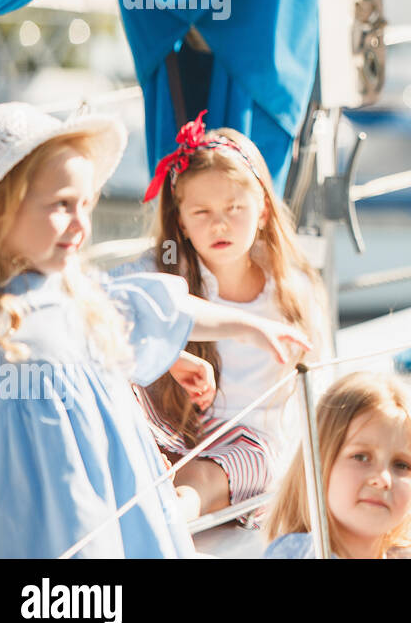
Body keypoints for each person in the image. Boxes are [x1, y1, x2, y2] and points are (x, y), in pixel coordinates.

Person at [0, 102, 308, 557]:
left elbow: (159, 309)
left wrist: (244, 330)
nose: (81, 224)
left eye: (86, 205)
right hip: (41, 517)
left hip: (115, 499)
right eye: (62, 205)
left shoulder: (77, 297)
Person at [129, 111, 327, 520]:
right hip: (175, 431)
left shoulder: (293, 291)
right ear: (180, 222)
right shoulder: (161, 276)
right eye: (201, 212)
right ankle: (152, 487)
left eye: (235, 207)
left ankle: (171, 514)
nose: (219, 223)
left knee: (225, 469)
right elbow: (103, 311)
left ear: (263, 213)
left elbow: (319, 387)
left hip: (252, 446)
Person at [265, 371, 411, 558]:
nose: (383, 479)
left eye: (401, 465)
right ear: (319, 462)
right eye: (361, 457)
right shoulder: (295, 554)